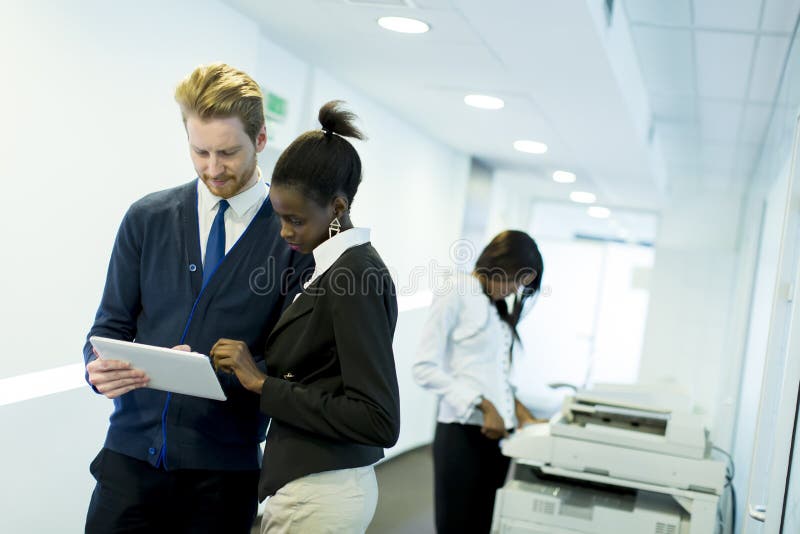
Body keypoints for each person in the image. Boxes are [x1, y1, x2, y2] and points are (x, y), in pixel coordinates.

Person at [82, 63, 312, 533]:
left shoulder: (293, 240)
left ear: (261, 140)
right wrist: (95, 366)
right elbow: (108, 326)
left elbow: (292, 368)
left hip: (222, 476)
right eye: (199, 151)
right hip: (127, 463)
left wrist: (224, 373)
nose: (212, 168)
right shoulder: (147, 217)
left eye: (227, 153)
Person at [209, 101, 400, 534]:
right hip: (311, 486)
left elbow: (377, 418)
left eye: (295, 220)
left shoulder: (355, 275)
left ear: (336, 208)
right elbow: (319, 374)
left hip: (323, 493)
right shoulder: (332, 268)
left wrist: (262, 384)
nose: (284, 232)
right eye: (280, 217)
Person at [412, 230, 544, 534]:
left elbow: (494, 377)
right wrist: (482, 404)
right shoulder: (456, 291)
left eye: (520, 286)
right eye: (513, 280)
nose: (513, 291)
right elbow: (424, 367)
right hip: (461, 435)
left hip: (496, 439)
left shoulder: (495, 308)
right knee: (457, 527)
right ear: (497, 262)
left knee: (483, 527)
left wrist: (523, 415)